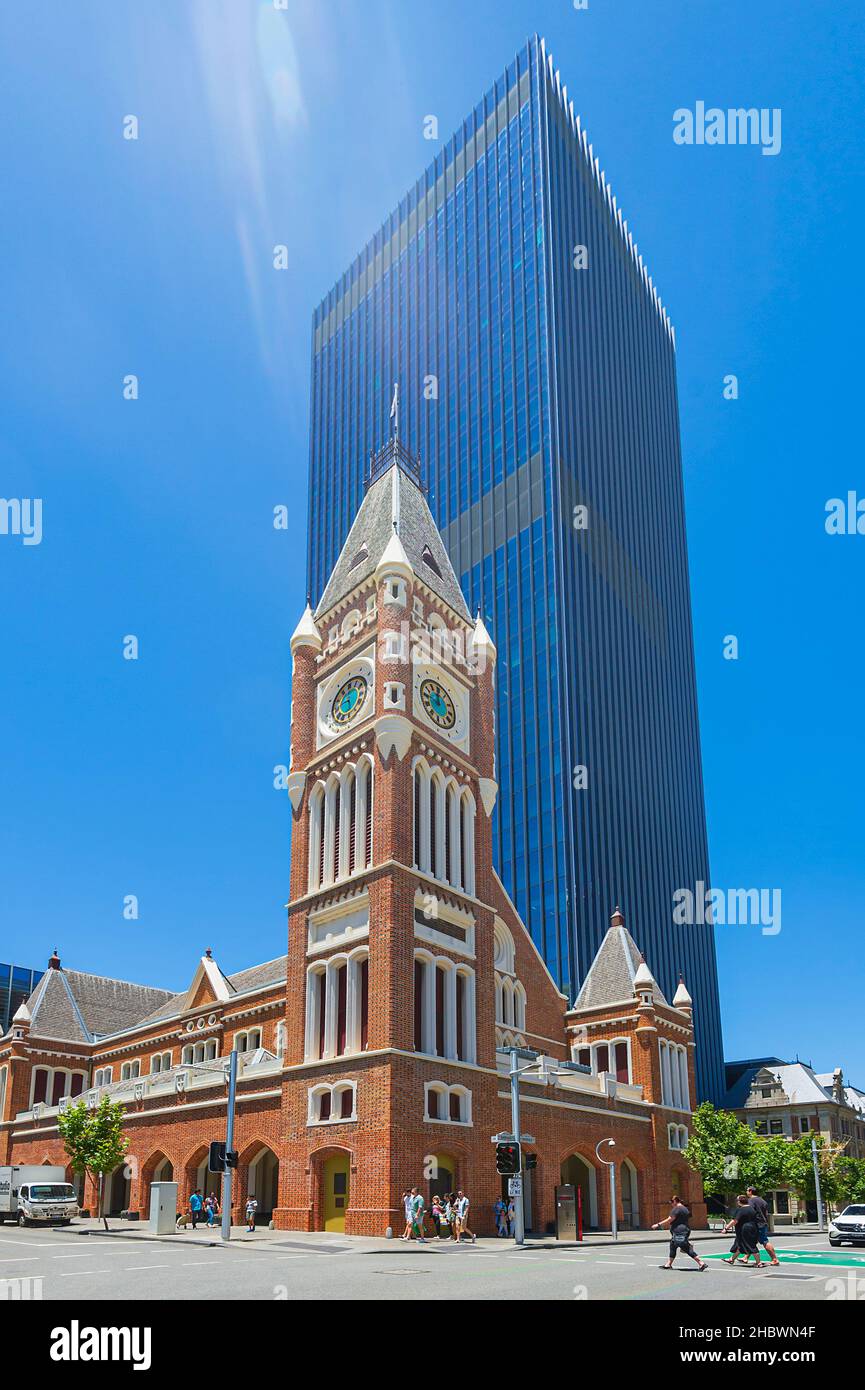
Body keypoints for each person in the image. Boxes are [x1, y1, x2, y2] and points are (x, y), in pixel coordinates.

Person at [652, 1195, 707, 1271]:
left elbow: (670, 1219)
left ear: (674, 1201)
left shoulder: (676, 1209)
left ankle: (701, 1263)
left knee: (686, 1248)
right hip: (684, 1230)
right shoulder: (685, 1209)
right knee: (673, 1246)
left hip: (679, 1231)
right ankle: (668, 1264)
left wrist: (658, 1225)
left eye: (671, 1202)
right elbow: (688, 1217)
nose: (671, 1204)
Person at [723, 1194, 763, 1267]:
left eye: (737, 1200)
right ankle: (731, 1259)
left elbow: (735, 1221)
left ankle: (758, 1263)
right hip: (753, 1228)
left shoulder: (740, 1210)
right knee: (740, 1245)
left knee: (751, 1246)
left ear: (739, 1201)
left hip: (745, 1229)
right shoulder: (752, 1209)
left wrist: (726, 1228)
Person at [747, 1186, 780, 1266]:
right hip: (763, 1223)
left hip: (757, 1223)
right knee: (752, 1241)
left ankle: (774, 1259)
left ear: (750, 1191)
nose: (746, 1192)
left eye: (747, 1190)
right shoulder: (762, 1200)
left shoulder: (751, 1200)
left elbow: (750, 1212)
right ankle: (745, 1257)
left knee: (764, 1241)